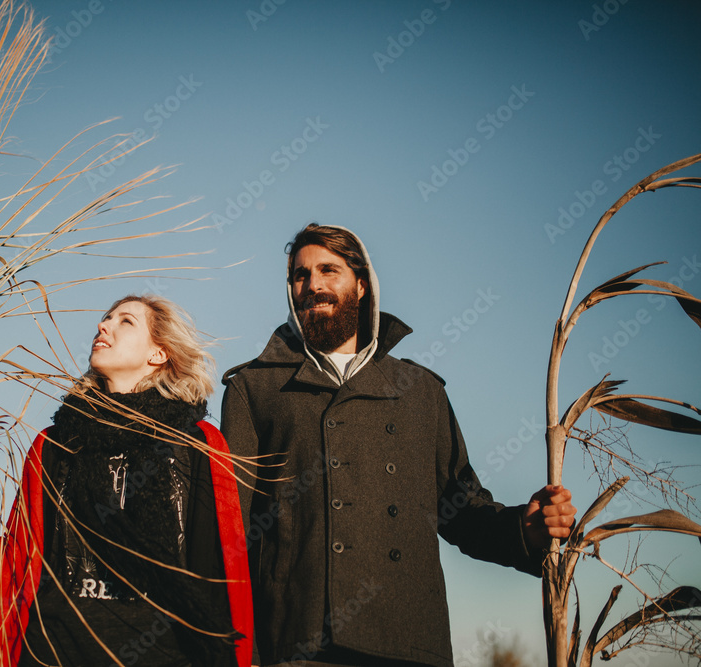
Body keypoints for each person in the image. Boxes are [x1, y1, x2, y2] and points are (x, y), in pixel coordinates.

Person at [220, 223, 576, 667]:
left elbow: (461, 509)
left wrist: (524, 529)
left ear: (363, 284)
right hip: (298, 640)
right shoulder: (255, 389)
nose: (313, 284)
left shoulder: (419, 389)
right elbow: (229, 534)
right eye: (300, 275)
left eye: (329, 270)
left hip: (410, 643)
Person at [0, 295, 253, 666]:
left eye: (125, 321)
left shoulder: (198, 443)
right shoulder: (56, 444)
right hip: (54, 651)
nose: (103, 325)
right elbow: (16, 563)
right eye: (105, 318)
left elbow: (221, 572)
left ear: (159, 354)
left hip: (166, 654)